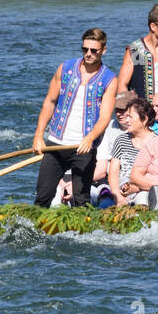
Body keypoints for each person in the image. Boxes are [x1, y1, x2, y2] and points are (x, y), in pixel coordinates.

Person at [31, 28, 119, 208]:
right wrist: (38, 136)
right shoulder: (65, 68)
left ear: (104, 50)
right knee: (43, 195)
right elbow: (50, 101)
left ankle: (83, 232)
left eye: (93, 50)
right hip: (56, 142)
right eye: (85, 49)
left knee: (81, 199)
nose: (88, 54)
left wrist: (90, 138)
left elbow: (104, 117)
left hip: (84, 147)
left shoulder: (110, 79)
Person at [108, 98, 155, 205]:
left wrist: (135, 188)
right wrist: (118, 196)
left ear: (144, 119)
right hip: (121, 191)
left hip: (146, 191)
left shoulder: (157, 141)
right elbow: (113, 173)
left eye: (130, 116)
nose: (126, 120)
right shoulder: (121, 140)